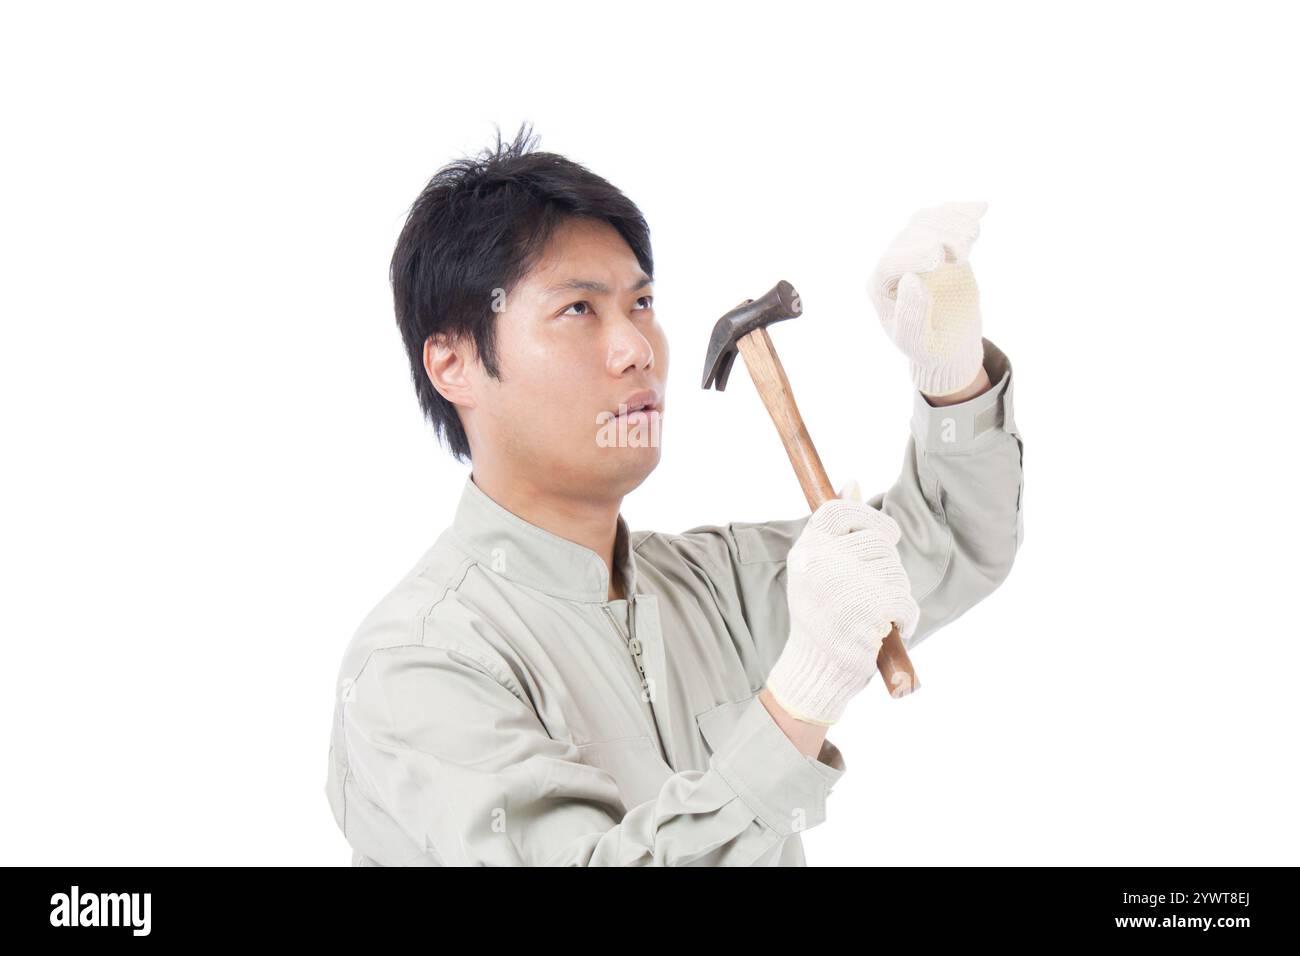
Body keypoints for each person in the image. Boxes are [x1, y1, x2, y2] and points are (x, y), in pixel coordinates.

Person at [323, 123, 1025, 866]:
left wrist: (949, 374)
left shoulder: (713, 584)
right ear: (453, 362)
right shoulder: (419, 665)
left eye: (642, 303)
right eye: (578, 310)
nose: (636, 348)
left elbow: (948, 546)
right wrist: (800, 696)